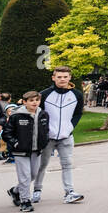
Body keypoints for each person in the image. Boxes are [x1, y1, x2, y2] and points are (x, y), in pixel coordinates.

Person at [34, 66, 85, 204]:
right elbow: (37, 113)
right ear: (53, 77)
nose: (62, 79)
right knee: (41, 165)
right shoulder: (44, 94)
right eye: (59, 77)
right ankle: (36, 191)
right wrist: (43, 130)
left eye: (65, 77)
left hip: (66, 136)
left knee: (67, 164)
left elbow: (78, 113)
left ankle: (69, 192)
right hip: (47, 137)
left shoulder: (77, 95)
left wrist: (70, 127)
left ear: (69, 78)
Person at [5, 91, 48, 212]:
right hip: (21, 151)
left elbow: (46, 130)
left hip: (36, 150)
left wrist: (44, 142)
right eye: (31, 100)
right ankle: (25, 201)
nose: (35, 102)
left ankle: (15, 191)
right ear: (24, 102)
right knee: (24, 176)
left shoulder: (43, 114)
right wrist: (16, 143)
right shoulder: (16, 116)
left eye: (37, 100)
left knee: (33, 175)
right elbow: (7, 133)